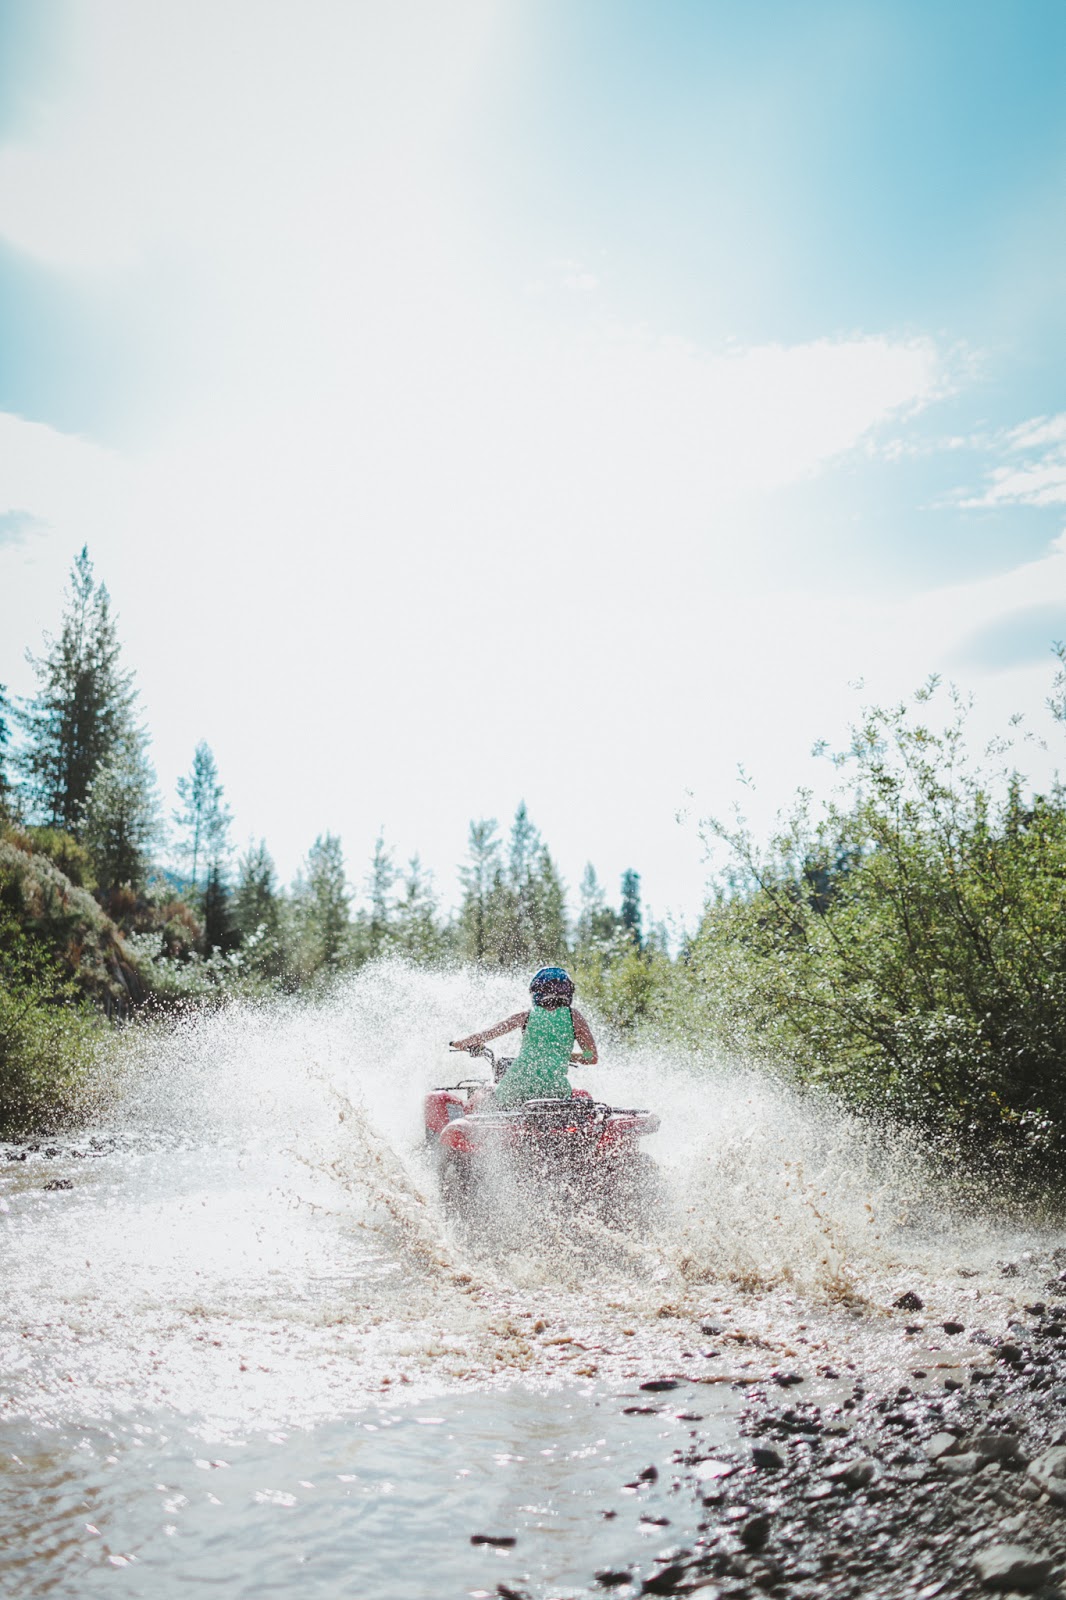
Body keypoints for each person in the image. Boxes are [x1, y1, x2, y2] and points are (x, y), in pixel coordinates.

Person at [450, 967, 598, 1107]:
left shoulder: (527, 1016)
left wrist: (459, 1043)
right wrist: (564, 1055)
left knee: (482, 1095)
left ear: (536, 992)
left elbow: (486, 1034)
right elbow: (591, 1057)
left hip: (517, 1086)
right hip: (556, 1089)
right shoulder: (575, 1017)